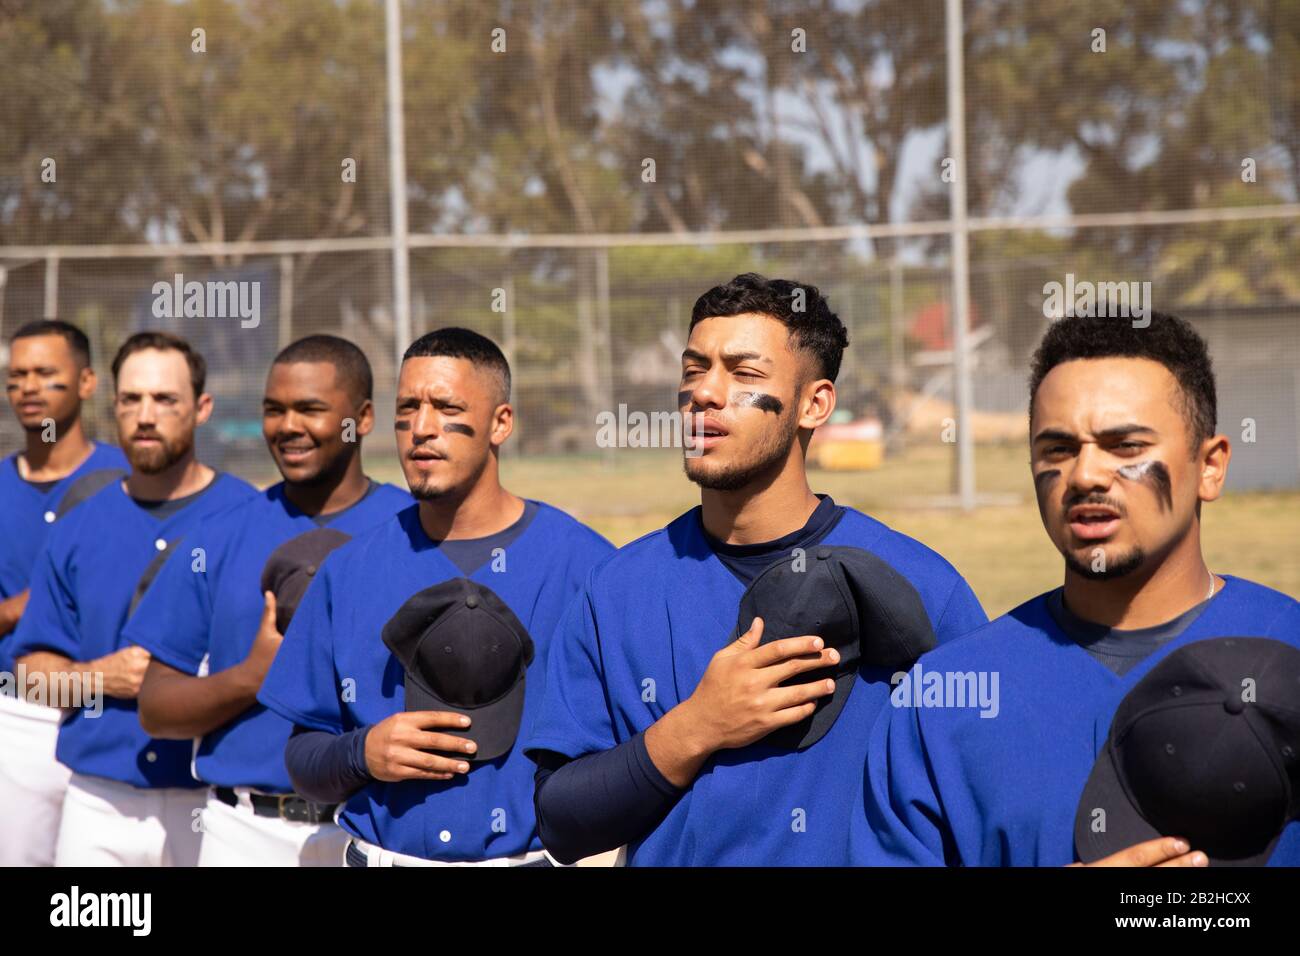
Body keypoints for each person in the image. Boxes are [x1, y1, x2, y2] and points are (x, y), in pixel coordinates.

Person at [525, 273, 986, 866]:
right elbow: (562, 823)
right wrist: (699, 725)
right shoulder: (616, 591)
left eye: (744, 374)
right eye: (694, 370)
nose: (706, 394)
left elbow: (986, 792)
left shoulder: (922, 586)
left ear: (813, 404)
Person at [859, 310, 1300, 866]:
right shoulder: (944, 699)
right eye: (1058, 449)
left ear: (1210, 467)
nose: (1086, 474)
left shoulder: (1290, 647)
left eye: (1125, 446)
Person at [257, 328, 613, 867]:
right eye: (408, 408)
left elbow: (632, 746)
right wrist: (363, 753)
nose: (422, 429)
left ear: (501, 422)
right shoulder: (350, 569)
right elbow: (304, 756)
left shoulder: (585, 565)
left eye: (446, 407)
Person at [126, 335, 411, 866]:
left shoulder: (415, 530)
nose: (287, 427)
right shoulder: (218, 536)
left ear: (363, 417)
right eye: (273, 410)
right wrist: (250, 678)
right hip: (243, 833)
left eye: (311, 409)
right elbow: (156, 708)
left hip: (376, 831)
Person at [9, 331, 256, 866]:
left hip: (213, 806)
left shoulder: (252, 517)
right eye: (131, 400)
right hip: (98, 804)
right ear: (113, 406)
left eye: (165, 400)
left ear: (202, 407)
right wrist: (104, 677)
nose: (145, 415)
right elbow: (29, 672)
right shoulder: (79, 525)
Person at [0, 320, 128, 866]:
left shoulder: (132, 479)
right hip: (18, 716)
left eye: (46, 373)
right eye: (16, 376)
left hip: (117, 716)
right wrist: (23, 609)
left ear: (86, 381)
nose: (29, 387)